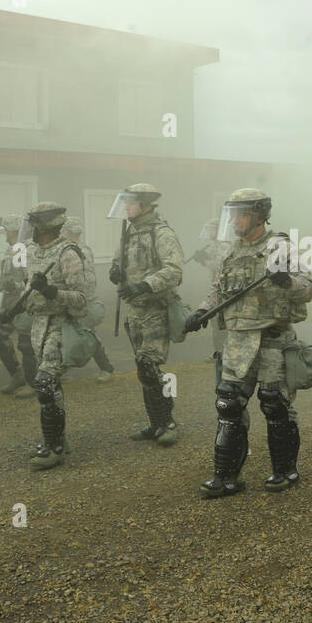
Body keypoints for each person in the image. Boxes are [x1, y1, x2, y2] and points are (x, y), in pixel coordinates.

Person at [185, 188, 312, 496]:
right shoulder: (233, 252)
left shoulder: (280, 247)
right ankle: (226, 477)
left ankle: (284, 471)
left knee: (275, 406)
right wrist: (202, 311)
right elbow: (219, 289)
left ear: (258, 215)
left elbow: (308, 289)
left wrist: (287, 281)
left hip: (272, 339)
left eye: (240, 214)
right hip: (238, 340)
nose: (233, 221)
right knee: (228, 404)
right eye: (232, 214)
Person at [0, 202, 91, 470]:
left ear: (47, 226)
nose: (30, 230)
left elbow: (81, 300)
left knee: (44, 382)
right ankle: (56, 440)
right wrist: (14, 309)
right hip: (39, 324)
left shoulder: (68, 253)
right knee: (52, 388)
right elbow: (28, 288)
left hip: (61, 325)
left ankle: (55, 449)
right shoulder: (32, 251)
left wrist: (53, 292)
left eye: (34, 225)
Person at [107, 184, 184, 446]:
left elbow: (174, 270)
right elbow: (119, 261)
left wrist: (146, 284)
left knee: (150, 365)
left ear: (146, 204)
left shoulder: (160, 233)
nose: (126, 207)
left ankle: (168, 422)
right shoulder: (129, 233)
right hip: (135, 312)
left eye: (131, 202)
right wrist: (116, 271)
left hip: (156, 309)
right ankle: (156, 423)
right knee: (144, 369)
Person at [0, 214, 36, 395]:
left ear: (13, 230)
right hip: (8, 304)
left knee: (26, 345)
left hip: (23, 305)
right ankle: (17, 375)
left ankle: (33, 383)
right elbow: (7, 277)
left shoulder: (25, 250)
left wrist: (13, 286)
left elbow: (29, 280)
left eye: (3, 230)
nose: (2, 234)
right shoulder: (12, 250)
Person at [62, 216, 116, 382]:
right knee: (69, 334)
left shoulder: (76, 251)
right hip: (78, 299)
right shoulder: (79, 249)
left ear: (67, 232)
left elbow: (82, 280)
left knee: (87, 336)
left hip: (82, 301)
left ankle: (106, 368)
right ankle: (65, 368)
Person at [191, 218, 230, 360]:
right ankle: (218, 352)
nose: (210, 233)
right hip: (216, 288)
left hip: (223, 289)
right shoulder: (215, 245)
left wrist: (204, 260)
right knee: (216, 323)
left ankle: (223, 352)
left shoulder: (224, 246)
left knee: (221, 323)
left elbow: (220, 266)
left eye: (212, 229)